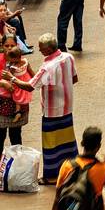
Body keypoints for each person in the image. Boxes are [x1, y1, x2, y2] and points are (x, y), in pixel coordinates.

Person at [3, 34, 76, 183]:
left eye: (41, 48)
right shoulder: (68, 57)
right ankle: (72, 169)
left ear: (49, 49)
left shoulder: (47, 67)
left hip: (52, 110)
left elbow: (30, 86)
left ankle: (51, 177)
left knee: (51, 145)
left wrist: (12, 78)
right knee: (67, 141)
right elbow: (74, 78)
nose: (39, 50)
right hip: (67, 107)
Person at [0, 37, 33, 149]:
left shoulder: (20, 60)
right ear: (2, 46)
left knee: (16, 136)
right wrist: (3, 83)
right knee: (0, 135)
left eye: (12, 45)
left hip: (17, 102)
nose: (9, 48)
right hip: (2, 104)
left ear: (17, 46)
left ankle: (17, 163)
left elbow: (33, 77)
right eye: (6, 46)